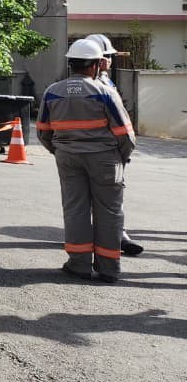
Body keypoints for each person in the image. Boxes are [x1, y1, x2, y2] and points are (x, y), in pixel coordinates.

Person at [37, 38, 136, 284]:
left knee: (75, 209)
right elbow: (126, 133)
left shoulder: (52, 92)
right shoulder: (104, 91)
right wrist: (121, 157)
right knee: (109, 212)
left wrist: (60, 150)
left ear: (71, 64)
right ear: (95, 66)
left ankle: (79, 264)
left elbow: (42, 131)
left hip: (68, 158)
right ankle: (108, 269)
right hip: (105, 159)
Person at [84, 33, 144, 257]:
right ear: (98, 59)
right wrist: (124, 150)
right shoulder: (96, 84)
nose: (110, 60)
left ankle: (113, 236)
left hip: (105, 150)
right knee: (108, 198)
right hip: (106, 151)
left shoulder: (105, 80)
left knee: (105, 198)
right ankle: (116, 237)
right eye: (107, 56)